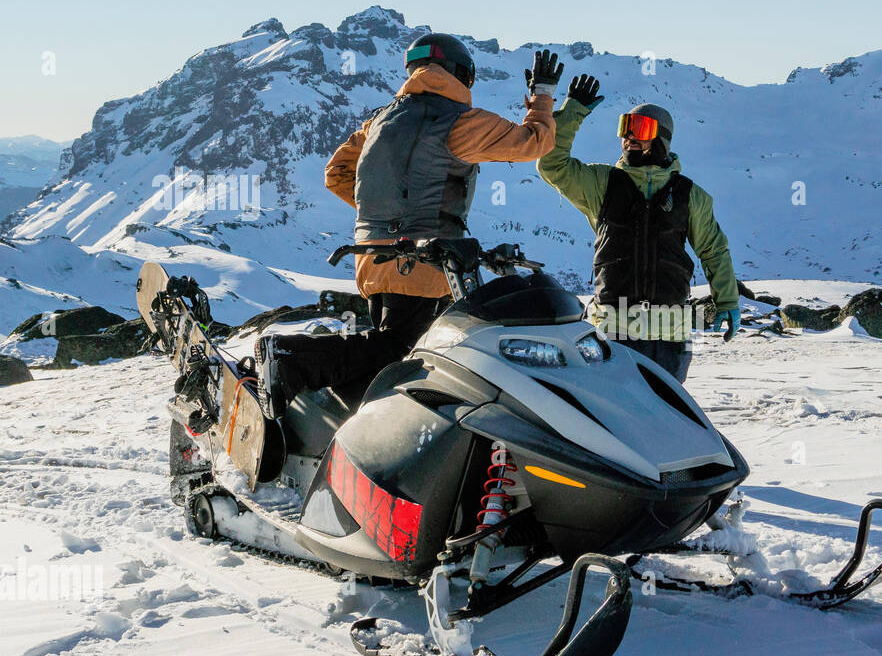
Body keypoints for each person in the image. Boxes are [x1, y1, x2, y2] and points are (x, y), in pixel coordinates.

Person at [255, 33, 563, 417]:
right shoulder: (459, 122)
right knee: (406, 353)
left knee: (385, 360)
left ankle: (337, 426)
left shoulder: (381, 120)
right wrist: (543, 96)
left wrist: (385, 213)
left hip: (371, 260)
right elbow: (534, 142)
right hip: (425, 263)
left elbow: (336, 173)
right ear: (463, 74)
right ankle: (290, 359)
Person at [536, 75, 740, 382]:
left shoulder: (689, 195)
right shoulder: (602, 183)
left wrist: (727, 300)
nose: (629, 137)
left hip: (669, 337)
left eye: (639, 129)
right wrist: (573, 111)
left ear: (661, 139)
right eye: (625, 128)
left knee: (663, 422)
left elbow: (713, 250)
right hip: (614, 333)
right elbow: (551, 164)